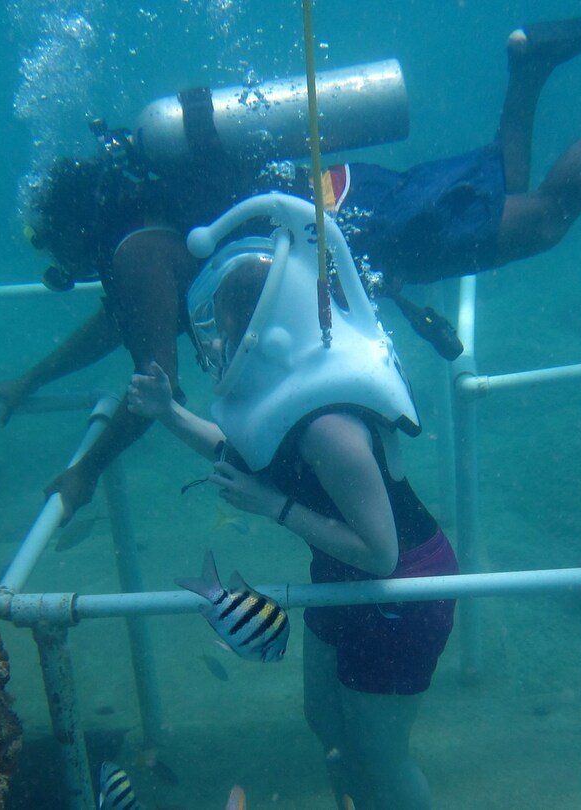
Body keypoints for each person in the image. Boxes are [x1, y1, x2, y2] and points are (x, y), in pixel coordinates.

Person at [0, 3, 581, 522]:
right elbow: (121, 325)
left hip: (364, 233)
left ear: (73, 226)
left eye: (48, 245)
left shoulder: (135, 257)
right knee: (505, 188)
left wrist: (88, 469)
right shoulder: (144, 241)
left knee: (543, 219)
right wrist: (28, 379)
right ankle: (532, 64)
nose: (57, 262)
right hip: (348, 204)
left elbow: (150, 378)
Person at [126, 193, 457, 810]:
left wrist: (270, 508)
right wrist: (168, 413)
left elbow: (382, 555)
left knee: (381, 754)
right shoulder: (286, 389)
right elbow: (244, 454)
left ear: (265, 332)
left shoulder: (330, 428)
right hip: (340, 574)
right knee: (327, 725)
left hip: (402, 592)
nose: (218, 344)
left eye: (225, 328)